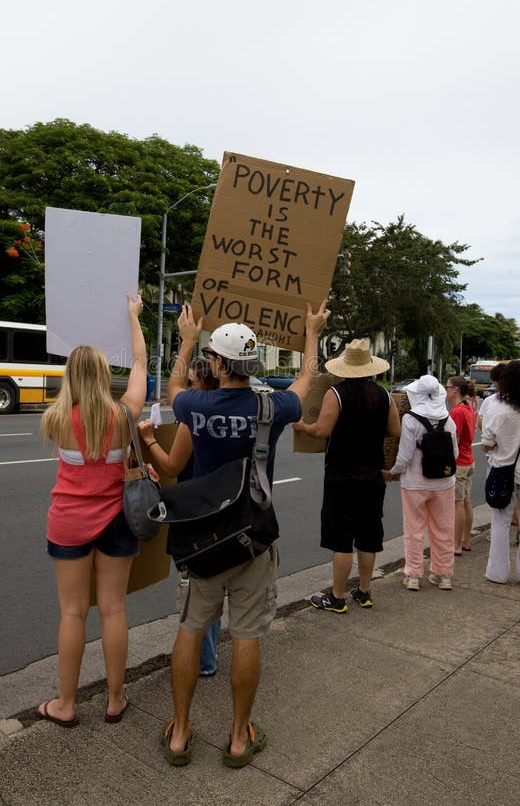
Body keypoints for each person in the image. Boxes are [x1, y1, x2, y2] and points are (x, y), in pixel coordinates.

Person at [161, 301, 330, 768]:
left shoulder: (194, 405)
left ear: (217, 364)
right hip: (252, 538)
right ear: (252, 365)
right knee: (248, 636)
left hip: (203, 541)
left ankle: (179, 734)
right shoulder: (272, 407)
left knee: (192, 629)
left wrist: (186, 340)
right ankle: (238, 738)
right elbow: (306, 381)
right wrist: (312, 333)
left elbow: (172, 386)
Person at [36, 294, 146, 727]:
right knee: (114, 609)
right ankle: (115, 699)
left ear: (69, 377)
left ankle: (66, 704)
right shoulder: (123, 415)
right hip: (118, 520)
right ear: (103, 375)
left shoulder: (55, 419)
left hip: (68, 523)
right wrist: (133, 317)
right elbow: (139, 365)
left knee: (72, 612)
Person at [293, 340, 400, 613]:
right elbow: (395, 431)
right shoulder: (384, 395)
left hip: (342, 476)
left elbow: (321, 430)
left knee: (341, 539)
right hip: (373, 476)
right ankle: (364, 591)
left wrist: (302, 425)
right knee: (368, 535)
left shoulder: (336, 394)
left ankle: (337, 596)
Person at [138, 358, 222, 678]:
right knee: (212, 586)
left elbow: (173, 467)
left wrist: (149, 441)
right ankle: (208, 653)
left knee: (195, 590)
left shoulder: (193, 420)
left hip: (193, 517)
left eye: (191, 384)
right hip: (219, 511)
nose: (184, 390)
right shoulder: (223, 414)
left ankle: (203, 659)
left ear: (205, 388)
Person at [383, 375, 458, 591]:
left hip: (415, 482)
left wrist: (393, 471)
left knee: (414, 529)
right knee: (444, 528)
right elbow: (454, 452)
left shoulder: (410, 419)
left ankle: (414, 575)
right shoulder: (447, 418)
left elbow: (405, 456)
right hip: (444, 482)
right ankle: (443, 575)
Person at [481, 359, 520, 583]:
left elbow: (486, 444)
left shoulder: (497, 407)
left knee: (501, 524)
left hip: (503, 470)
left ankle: (498, 573)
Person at [445, 376, 475, 555]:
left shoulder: (457, 412)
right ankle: (466, 539)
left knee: (458, 504)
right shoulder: (468, 408)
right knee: (466, 501)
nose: (446, 390)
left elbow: (453, 439)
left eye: (447, 387)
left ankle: (456, 544)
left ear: (455, 390)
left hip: (460, 462)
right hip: (469, 459)